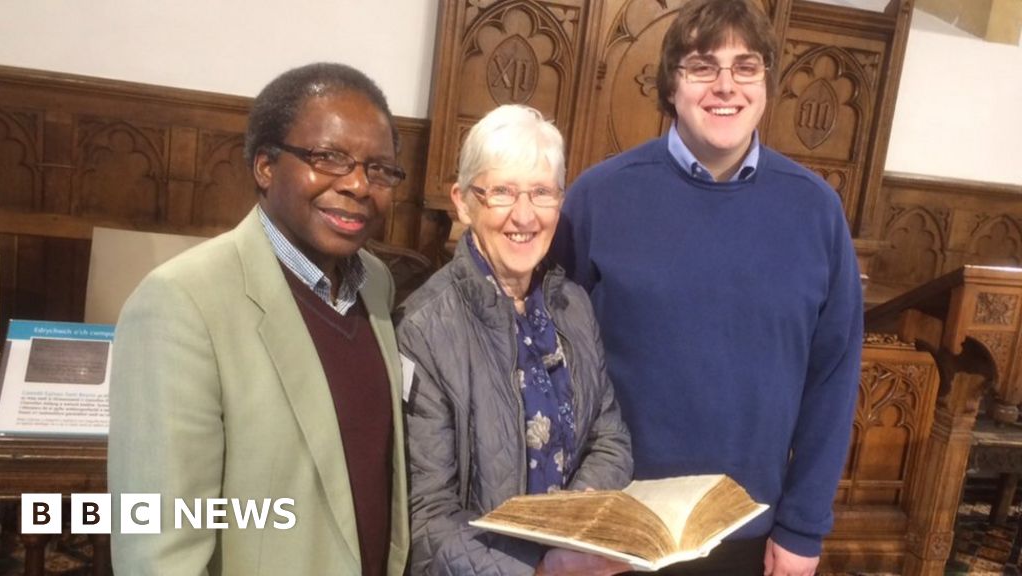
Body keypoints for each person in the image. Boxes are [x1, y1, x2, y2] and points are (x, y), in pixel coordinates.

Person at [552, 1, 864, 574]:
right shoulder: (599, 198)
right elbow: (549, 361)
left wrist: (803, 526)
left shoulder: (816, 210)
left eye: (745, 67)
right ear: (671, 84)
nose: (726, 86)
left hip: (750, 530)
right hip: (615, 527)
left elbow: (833, 377)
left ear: (767, 82)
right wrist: (562, 518)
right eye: (702, 67)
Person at [108, 62, 410, 576]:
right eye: (329, 158)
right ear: (265, 166)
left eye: (378, 168)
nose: (359, 184)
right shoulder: (180, 303)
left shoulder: (376, 283)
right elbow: (157, 553)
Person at [395, 104, 633, 576]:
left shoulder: (574, 305)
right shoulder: (424, 328)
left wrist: (577, 523)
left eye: (541, 192)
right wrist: (538, 573)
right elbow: (427, 519)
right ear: (463, 201)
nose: (524, 216)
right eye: (501, 191)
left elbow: (611, 438)